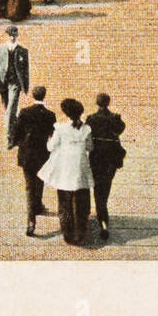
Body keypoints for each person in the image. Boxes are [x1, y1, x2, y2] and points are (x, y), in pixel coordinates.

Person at [38, 98, 94, 246]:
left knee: (64, 204)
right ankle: (81, 232)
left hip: (65, 170)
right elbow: (90, 147)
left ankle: (68, 233)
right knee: (82, 203)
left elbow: (50, 147)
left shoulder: (61, 129)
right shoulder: (87, 129)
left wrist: (50, 139)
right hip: (80, 169)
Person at [14, 86, 56, 236]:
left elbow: (16, 132)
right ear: (45, 97)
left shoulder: (24, 112)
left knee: (29, 186)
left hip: (28, 155)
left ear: (33, 96)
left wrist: (19, 143)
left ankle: (31, 220)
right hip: (42, 154)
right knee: (40, 182)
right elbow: (52, 134)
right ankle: (38, 205)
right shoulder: (51, 115)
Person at [87, 93, 127, 240]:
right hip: (111, 159)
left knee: (98, 189)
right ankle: (103, 218)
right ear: (108, 103)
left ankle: (102, 216)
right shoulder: (116, 119)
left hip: (96, 158)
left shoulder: (91, 119)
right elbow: (120, 129)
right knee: (105, 189)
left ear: (97, 103)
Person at [0, 25, 30, 149]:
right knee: (8, 110)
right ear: (7, 36)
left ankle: (9, 138)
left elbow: (26, 70)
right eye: (11, 35)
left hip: (15, 83)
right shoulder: (1, 49)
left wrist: (25, 86)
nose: (13, 37)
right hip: (2, 83)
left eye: (15, 35)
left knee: (10, 110)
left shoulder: (23, 50)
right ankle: (17, 132)